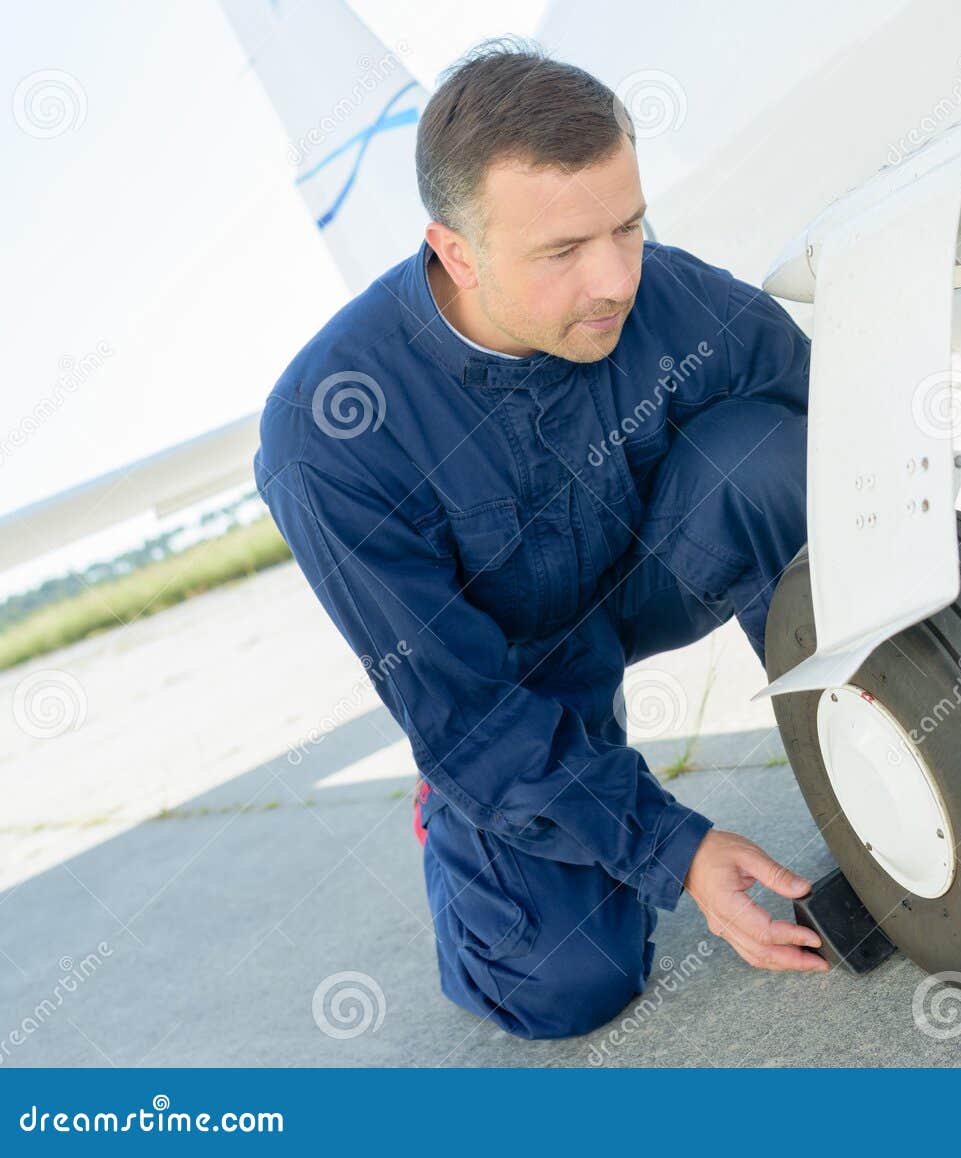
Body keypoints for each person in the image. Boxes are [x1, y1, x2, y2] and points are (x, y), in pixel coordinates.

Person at [254, 39, 827, 1041]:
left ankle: (883, 740)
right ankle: (459, 826)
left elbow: (835, 423)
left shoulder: (665, 295)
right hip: (507, 679)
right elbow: (463, 707)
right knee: (566, 987)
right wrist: (676, 848)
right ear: (455, 251)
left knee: (775, 454)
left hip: (646, 576)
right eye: (562, 251)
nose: (614, 280)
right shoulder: (332, 433)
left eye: (629, 227)